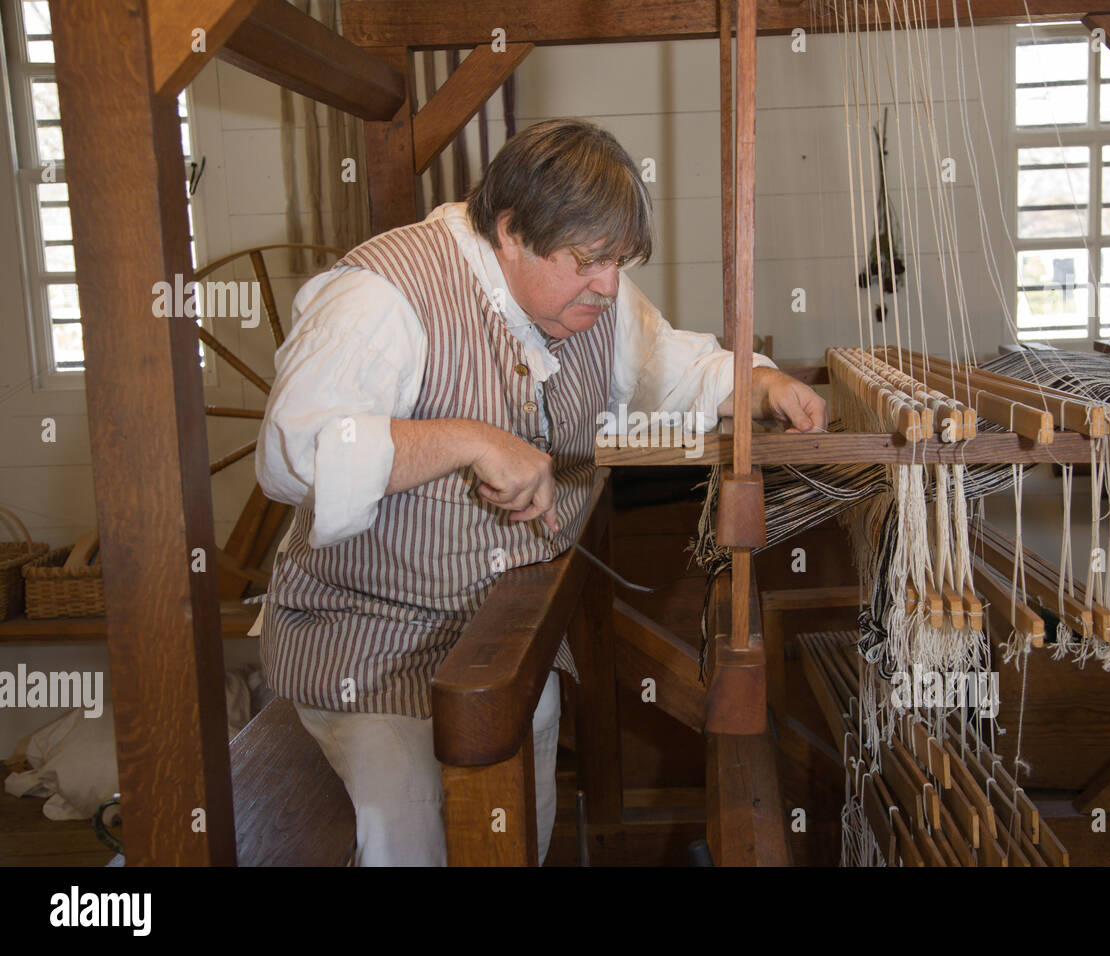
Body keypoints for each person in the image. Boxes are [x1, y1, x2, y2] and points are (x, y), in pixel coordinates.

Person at [253, 118, 827, 866]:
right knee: (411, 832)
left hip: (506, 637)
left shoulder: (594, 296)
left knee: (517, 817)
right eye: (591, 261)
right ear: (511, 231)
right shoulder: (384, 295)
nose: (611, 284)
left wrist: (758, 383)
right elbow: (292, 456)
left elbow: (675, 369)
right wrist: (469, 438)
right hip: (368, 648)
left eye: (622, 261)